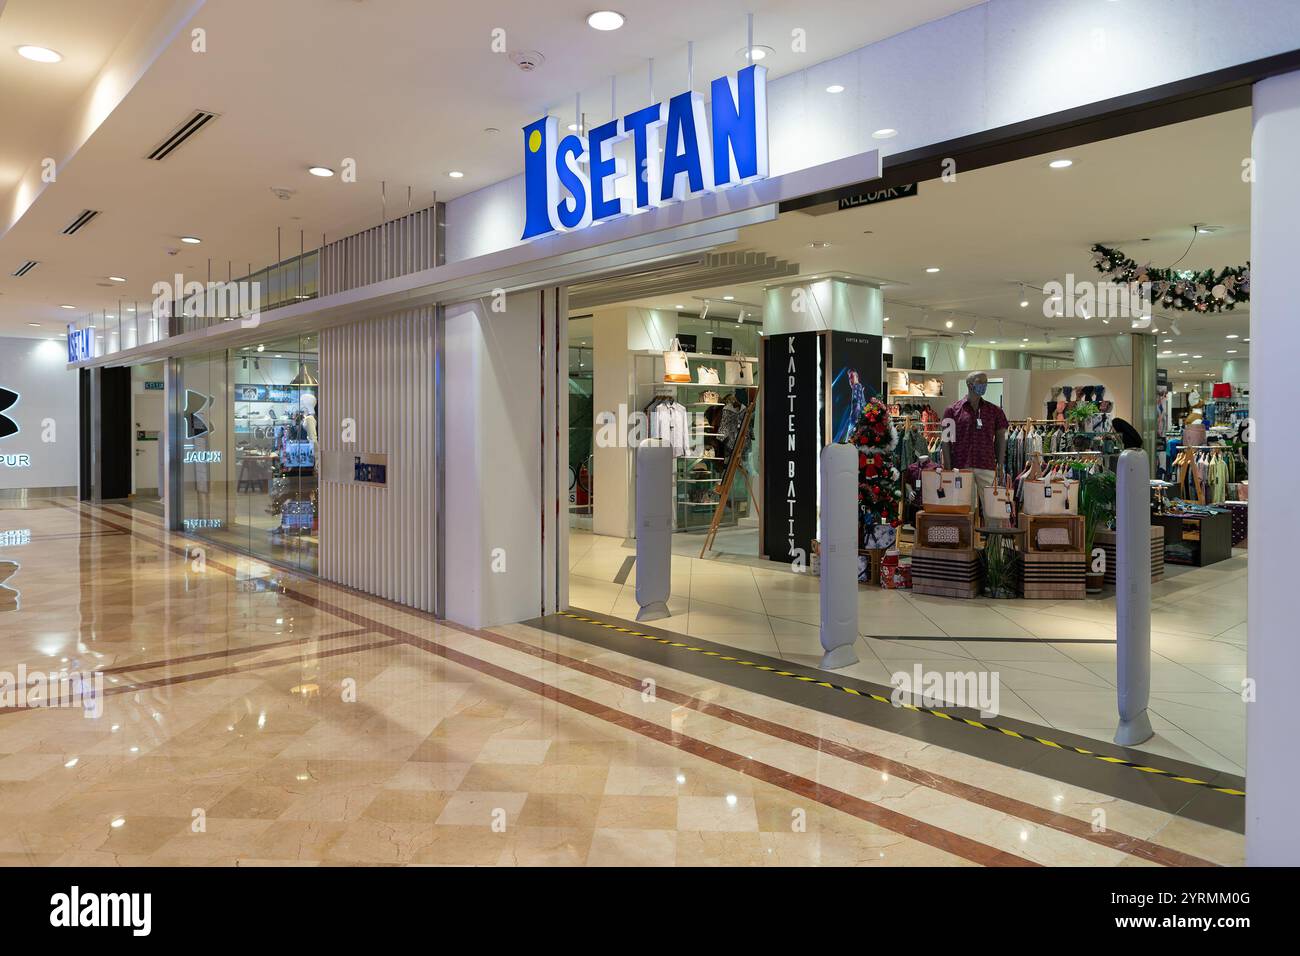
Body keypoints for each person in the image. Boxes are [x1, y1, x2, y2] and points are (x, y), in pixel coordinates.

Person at [940, 371, 1008, 518]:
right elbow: (945, 440)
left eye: (986, 382)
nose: (984, 385)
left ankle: (994, 540)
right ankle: (967, 540)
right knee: (965, 510)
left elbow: (1001, 438)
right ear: (970, 384)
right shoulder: (952, 410)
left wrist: (1001, 464)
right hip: (962, 466)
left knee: (993, 509)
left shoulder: (995, 411)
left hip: (987, 465)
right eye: (980, 382)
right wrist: (948, 468)